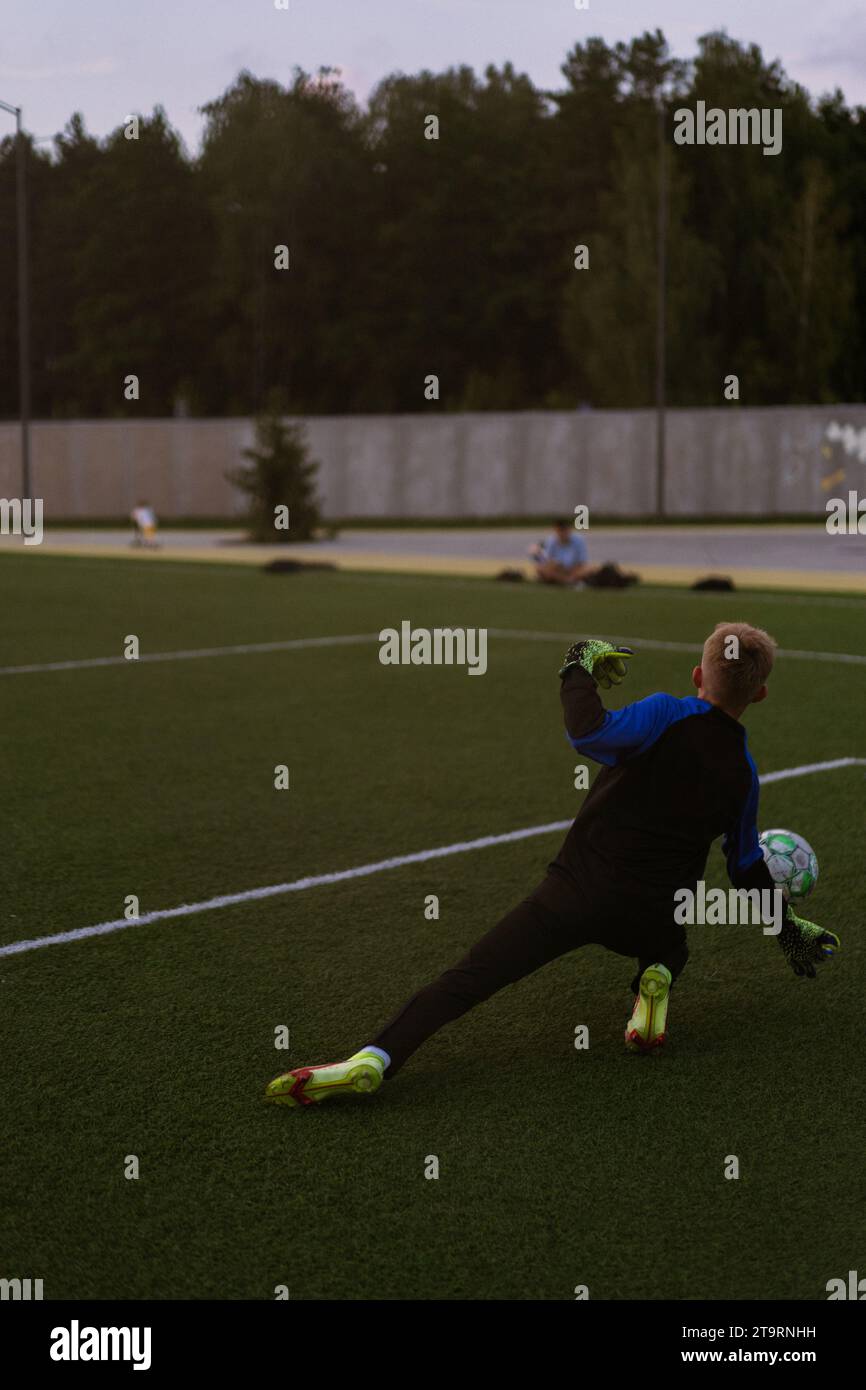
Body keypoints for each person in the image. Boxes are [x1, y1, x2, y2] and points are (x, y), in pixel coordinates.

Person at [264, 623, 839, 1108]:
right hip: (653, 914)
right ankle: (653, 984)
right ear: (759, 697)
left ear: (697, 675)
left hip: (573, 895)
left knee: (467, 980)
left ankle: (372, 1059)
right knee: (672, 948)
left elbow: (588, 732)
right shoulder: (743, 770)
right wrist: (788, 932)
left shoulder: (668, 713)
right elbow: (745, 870)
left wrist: (577, 665)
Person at [530, 518, 596, 585]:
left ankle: (564, 580)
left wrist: (572, 570)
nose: (562, 534)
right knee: (540, 568)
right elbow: (548, 560)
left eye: (564, 530)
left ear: (569, 530)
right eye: (559, 531)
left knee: (590, 569)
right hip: (559, 570)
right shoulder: (551, 540)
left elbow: (582, 562)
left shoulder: (579, 540)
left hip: (575, 569)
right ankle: (569, 581)